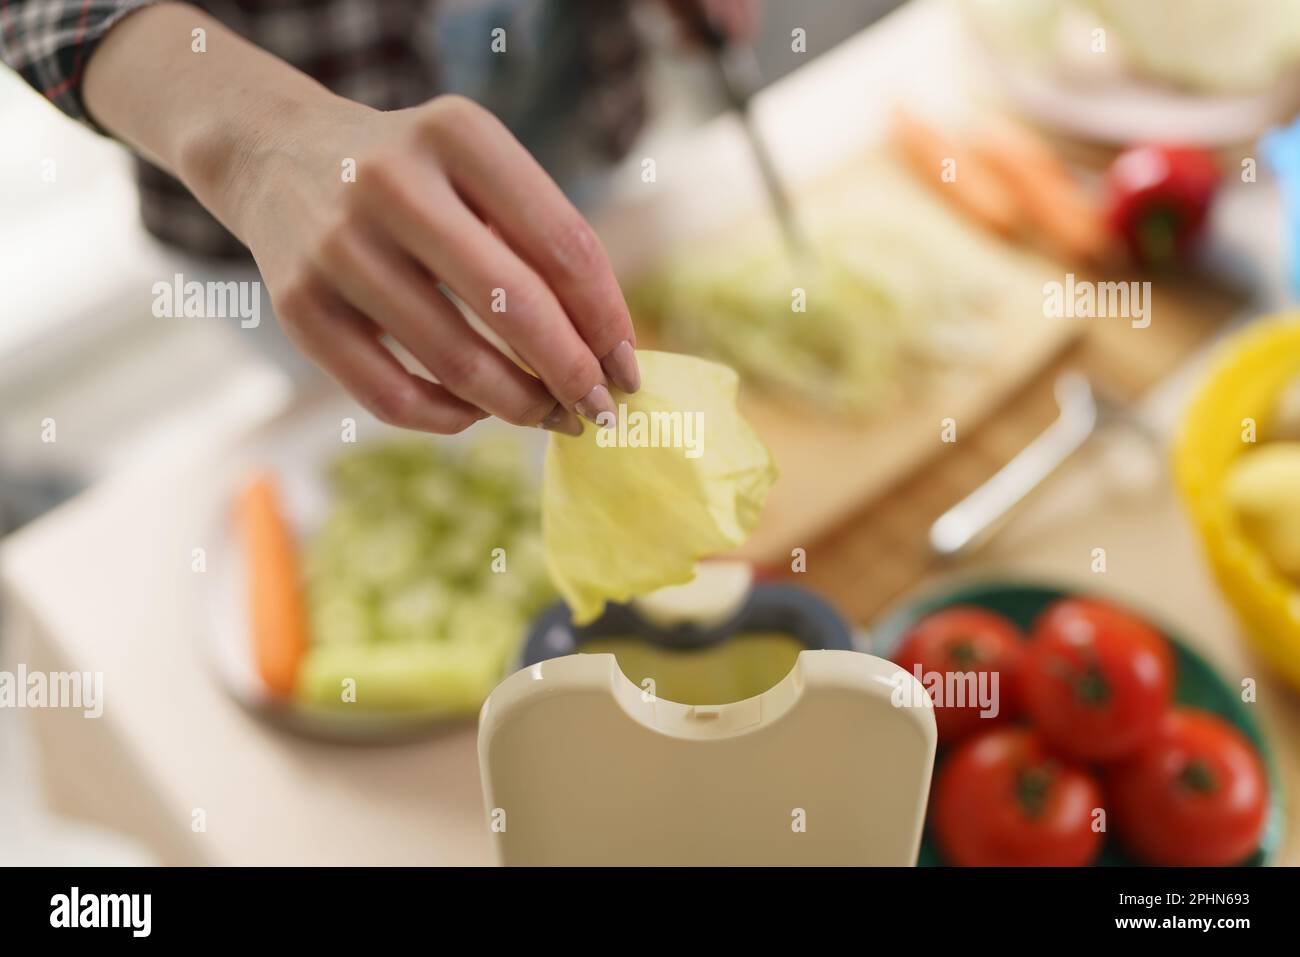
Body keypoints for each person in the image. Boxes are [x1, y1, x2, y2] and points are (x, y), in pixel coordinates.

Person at [0, 0, 756, 435]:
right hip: (298, 219)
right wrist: (255, 146)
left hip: (576, 90)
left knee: (572, 361)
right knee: (401, 415)